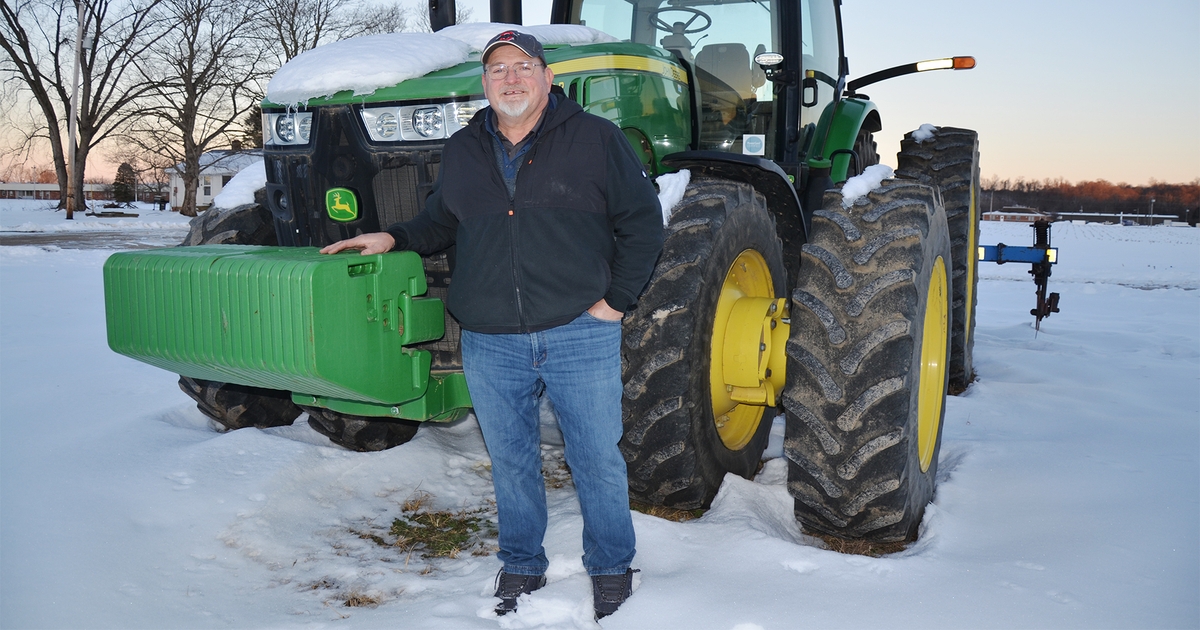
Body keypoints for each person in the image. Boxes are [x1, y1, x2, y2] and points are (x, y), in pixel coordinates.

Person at [320, 30, 664, 620]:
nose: (511, 78)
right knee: (510, 459)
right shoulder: (463, 149)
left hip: (578, 330)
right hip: (490, 338)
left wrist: (614, 304)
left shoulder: (595, 139)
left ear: (547, 78)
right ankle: (523, 564)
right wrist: (393, 237)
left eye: (523, 67)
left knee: (596, 458)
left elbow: (643, 224)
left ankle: (610, 567)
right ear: (484, 85)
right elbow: (438, 223)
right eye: (498, 69)